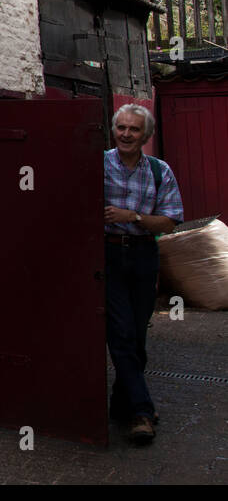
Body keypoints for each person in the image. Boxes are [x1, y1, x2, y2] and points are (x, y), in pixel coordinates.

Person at [102, 104, 183, 445]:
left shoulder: (159, 170)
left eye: (134, 129)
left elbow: (169, 219)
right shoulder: (98, 164)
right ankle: (142, 412)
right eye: (121, 127)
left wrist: (132, 216)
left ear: (146, 135)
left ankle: (122, 402)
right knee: (120, 332)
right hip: (106, 254)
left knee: (137, 334)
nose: (126, 134)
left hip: (143, 254)